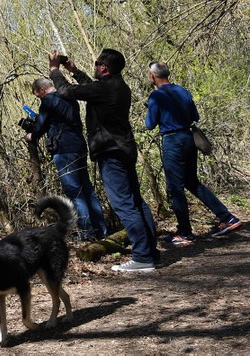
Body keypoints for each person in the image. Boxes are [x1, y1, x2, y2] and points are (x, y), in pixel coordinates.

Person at [49, 48, 160, 272]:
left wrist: (55, 70)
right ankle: (150, 252)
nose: (95, 65)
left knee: (124, 204)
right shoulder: (118, 86)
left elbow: (66, 92)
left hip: (110, 151)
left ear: (104, 68)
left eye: (97, 63)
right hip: (124, 149)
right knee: (137, 202)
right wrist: (75, 70)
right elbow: (92, 89)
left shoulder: (105, 88)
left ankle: (142, 257)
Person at [145, 61, 242, 244]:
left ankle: (184, 233)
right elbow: (194, 117)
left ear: (152, 76)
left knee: (175, 188)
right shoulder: (183, 91)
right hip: (189, 139)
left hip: (173, 142)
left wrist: (153, 111)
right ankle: (227, 218)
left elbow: (149, 124)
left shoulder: (156, 96)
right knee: (191, 182)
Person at [25, 77, 107, 241]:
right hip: (79, 146)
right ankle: (101, 230)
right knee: (87, 190)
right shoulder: (69, 98)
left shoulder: (48, 101)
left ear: (42, 90)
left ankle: (87, 234)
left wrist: (31, 135)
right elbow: (58, 121)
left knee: (75, 193)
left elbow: (40, 126)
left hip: (64, 150)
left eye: (38, 95)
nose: (39, 98)